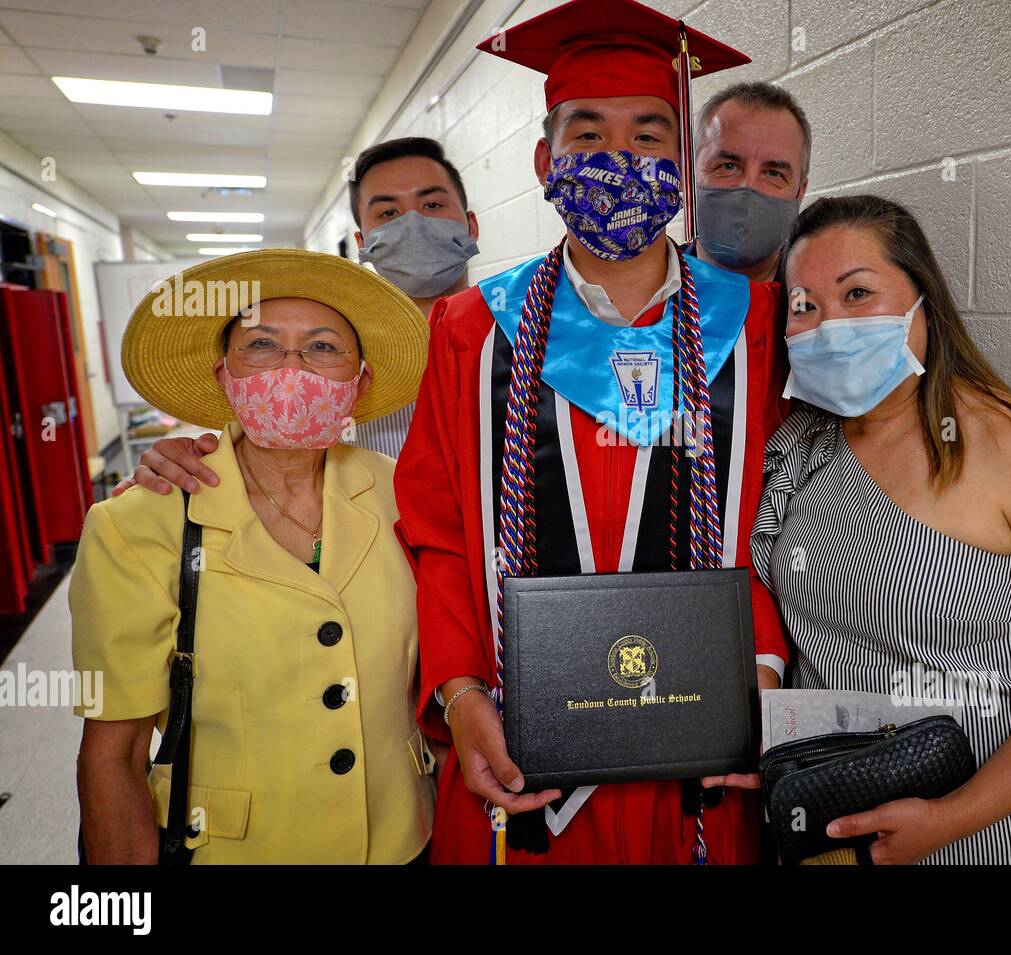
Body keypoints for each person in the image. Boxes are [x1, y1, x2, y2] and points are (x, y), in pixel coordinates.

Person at [394, 0, 789, 864]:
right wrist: (462, 698)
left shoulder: (753, 324)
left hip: (699, 756)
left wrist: (756, 683)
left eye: (649, 136)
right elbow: (438, 536)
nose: (619, 158)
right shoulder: (471, 329)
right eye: (588, 135)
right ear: (545, 159)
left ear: (681, 163)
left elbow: (772, 527)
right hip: (520, 754)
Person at [750, 195, 1011, 864]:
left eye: (858, 293)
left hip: (993, 836)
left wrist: (952, 817)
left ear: (925, 307)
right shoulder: (793, 448)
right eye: (806, 306)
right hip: (832, 824)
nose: (831, 325)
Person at [72, 249, 436, 863]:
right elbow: (114, 753)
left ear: (360, 382)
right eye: (262, 345)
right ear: (222, 375)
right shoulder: (137, 524)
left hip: (401, 837)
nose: (292, 366)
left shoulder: (408, 496)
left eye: (323, 347)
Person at [113, 136, 478, 492]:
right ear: (363, 244)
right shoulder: (328, 371)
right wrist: (176, 465)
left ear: (471, 225)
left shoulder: (525, 336)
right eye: (388, 213)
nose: (412, 223)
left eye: (432, 205)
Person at [692, 81, 811, 285]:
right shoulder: (646, 294)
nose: (749, 187)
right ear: (688, 177)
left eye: (773, 173)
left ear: (800, 193)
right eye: (728, 166)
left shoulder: (820, 303)